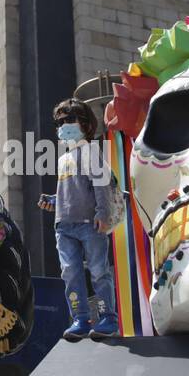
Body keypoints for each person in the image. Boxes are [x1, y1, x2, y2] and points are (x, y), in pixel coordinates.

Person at [39, 97, 118, 341]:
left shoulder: (91, 152)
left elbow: (101, 185)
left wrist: (103, 214)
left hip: (89, 224)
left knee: (98, 271)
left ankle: (108, 317)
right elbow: (71, 190)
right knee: (70, 272)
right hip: (64, 226)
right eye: (60, 122)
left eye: (69, 120)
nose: (63, 126)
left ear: (85, 124)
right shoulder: (63, 159)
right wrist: (53, 201)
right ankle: (80, 318)